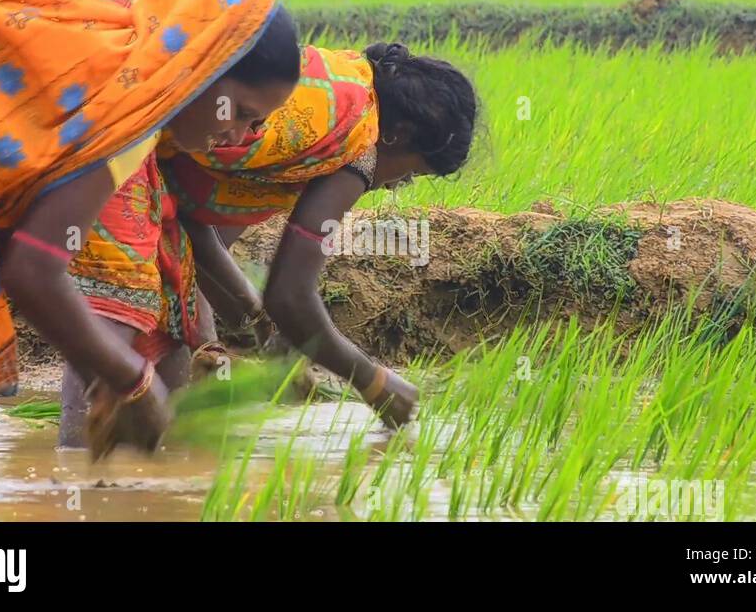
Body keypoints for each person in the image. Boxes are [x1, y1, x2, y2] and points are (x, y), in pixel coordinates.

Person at [0, 0, 300, 480]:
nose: (238, 136)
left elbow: (15, 249)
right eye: (239, 111)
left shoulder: (131, 95)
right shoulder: (122, 106)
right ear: (204, 64)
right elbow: (33, 272)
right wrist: (131, 380)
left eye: (255, 125)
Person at [63, 33, 478, 438]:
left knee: (168, 370)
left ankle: (127, 491)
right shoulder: (359, 143)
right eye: (410, 173)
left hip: (124, 103)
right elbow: (291, 295)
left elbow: (198, 240)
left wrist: (258, 328)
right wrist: (374, 383)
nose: (395, 186)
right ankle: (78, 484)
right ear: (399, 134)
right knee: (118, 314)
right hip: (122, 122)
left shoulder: (319, 120)